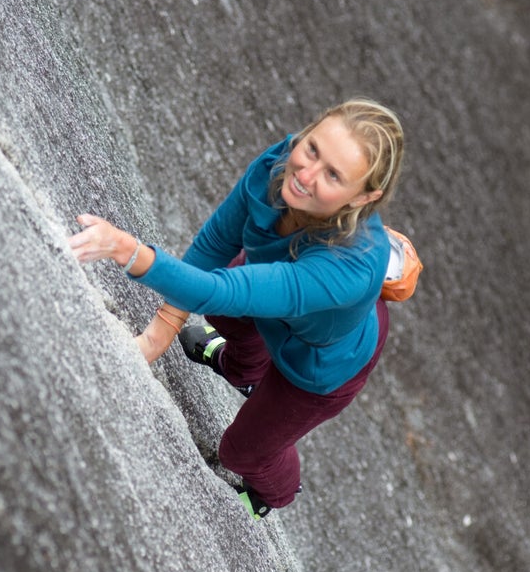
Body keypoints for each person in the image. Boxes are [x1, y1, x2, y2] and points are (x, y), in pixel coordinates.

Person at [70, 100, 406, 518]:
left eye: (333, 175)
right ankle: (243, 372)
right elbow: (216, 244)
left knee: (242, 452)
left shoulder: (348, 267)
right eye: (312, 148)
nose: (306, 175)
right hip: (274, 294)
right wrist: (159, 334)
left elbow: (225, 290)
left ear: (364, 198)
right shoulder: (282, 164)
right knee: (221, 310)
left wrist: (129, 251)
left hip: (319, 362)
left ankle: (274, 494)